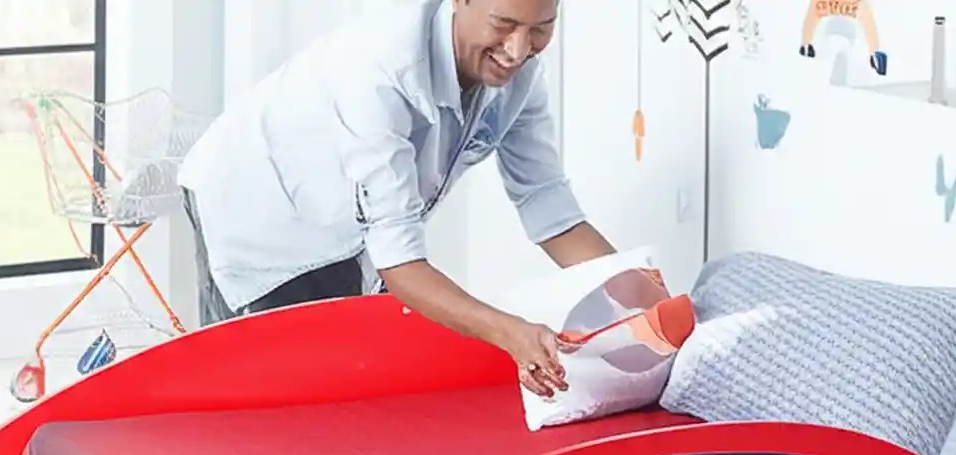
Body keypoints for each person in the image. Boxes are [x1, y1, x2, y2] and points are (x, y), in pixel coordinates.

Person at [179, 0, 629, 398]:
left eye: (540, 28)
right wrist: (510, 334)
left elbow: (547, 204)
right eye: (503, 23)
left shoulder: (522, 76)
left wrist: (637, 297)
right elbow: (399, 262)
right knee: (272, 396)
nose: (517, 49)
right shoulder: (382, 69)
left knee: (344, 382)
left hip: (340, 215)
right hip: (255, 206)